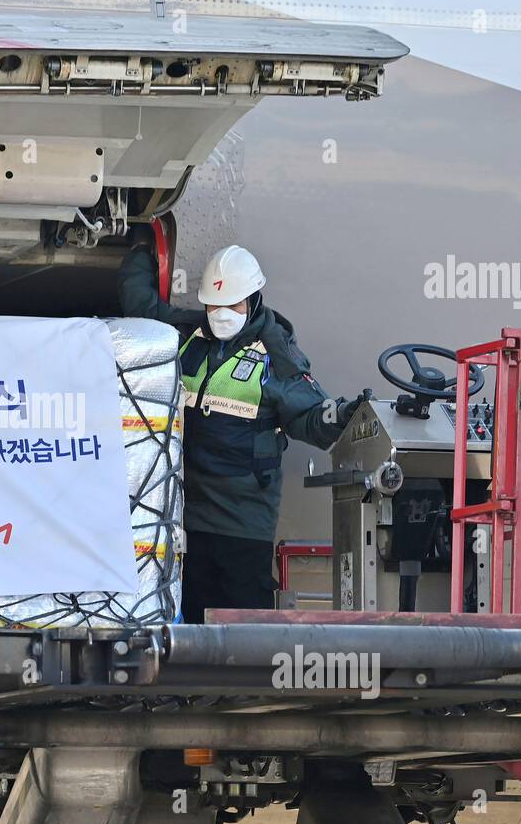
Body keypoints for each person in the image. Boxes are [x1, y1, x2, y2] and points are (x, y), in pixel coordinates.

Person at [120, 226, 369, 622]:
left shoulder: (276, 354)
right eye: (213, 306)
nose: (221, 315)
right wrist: (139, 250)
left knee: (242, 623)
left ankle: (239, 688)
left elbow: (307, 417)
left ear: (253, 301)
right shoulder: (190, 336)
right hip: (186, 514)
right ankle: (190, 686)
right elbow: (142, 314)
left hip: (243, 521)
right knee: (193, 617)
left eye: (232, 306)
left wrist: (340, 416)